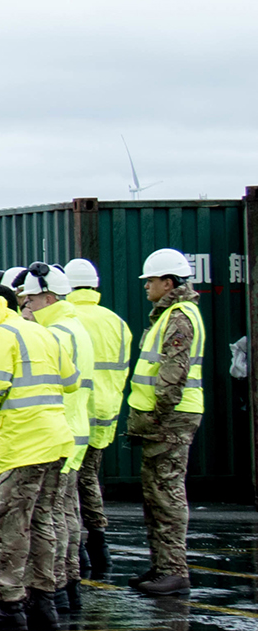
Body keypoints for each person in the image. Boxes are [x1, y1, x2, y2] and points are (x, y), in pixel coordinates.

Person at [0, 285, 76, 631]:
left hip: (23, 444)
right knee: (42, 521)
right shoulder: (39, 330)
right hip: (56, 441)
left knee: (11, 525)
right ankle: (44, 602)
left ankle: (9, 604)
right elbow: (70, 381)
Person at [127, 248, 206, 595]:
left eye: (151, 281)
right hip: (165, 419)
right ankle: (162, 566)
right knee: (156, 493)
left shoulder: (179, 316)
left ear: (168, 282)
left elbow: (173, 372)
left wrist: (158, 414)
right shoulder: (171, 314)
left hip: (169, 419)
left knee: (167, 493)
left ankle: (174, 570)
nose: (146, 287)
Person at [17, 263, 95, 614]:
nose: (27, 307)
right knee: (64, 512)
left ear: (49, 297)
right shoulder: (73, 326)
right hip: (75, 430)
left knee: (49, 515)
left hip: (57, 432)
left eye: (31, 300)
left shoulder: (55, 334)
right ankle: (68, 588)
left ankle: (58, 588)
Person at [63, 258, 133, 578]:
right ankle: (99, 546)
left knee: (68, 484)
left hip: (75, 410)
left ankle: (79, 551)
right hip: (106, 412)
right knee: (89, 478)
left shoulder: (67, 318)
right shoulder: (117, 322)